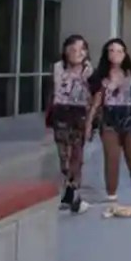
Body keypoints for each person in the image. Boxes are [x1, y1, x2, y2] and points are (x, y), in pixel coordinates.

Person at [87, 38, 131, 207]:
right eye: (111, 50)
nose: (115, 54)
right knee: (111, 158)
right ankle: (111, 195)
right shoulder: (101, 76)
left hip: (129, 118)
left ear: (125, 54)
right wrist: (89, 124)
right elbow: (96, 103)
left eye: (119, 51)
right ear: (106, 54)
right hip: (109, 119)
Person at [48, 34, 93, 214]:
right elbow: (53, 92)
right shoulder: (58, 68)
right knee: (64, 157)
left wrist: (91, 122)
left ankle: (73, 194)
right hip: (61, 113)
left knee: (77, 156)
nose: (77, 53)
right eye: (73, 49)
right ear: (65, 51)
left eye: (81, 49)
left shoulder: (89, 71)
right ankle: (70, 193)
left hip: (80, 114)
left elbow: (95, 97)